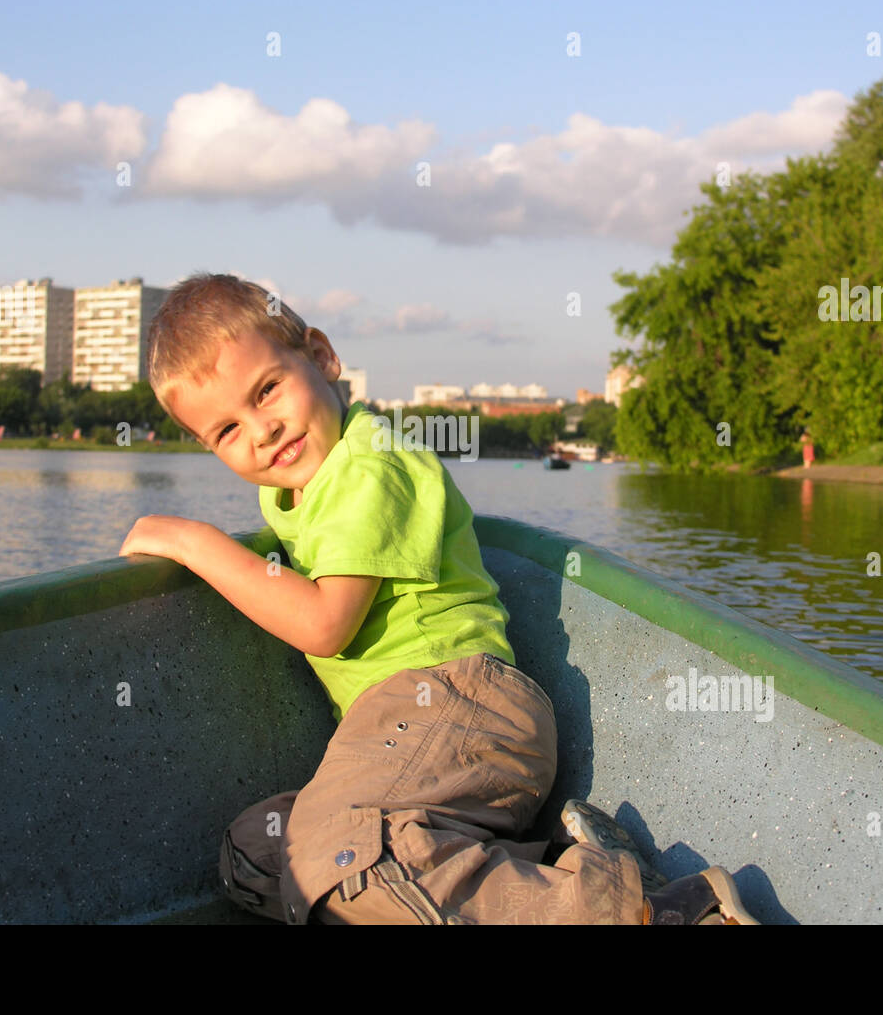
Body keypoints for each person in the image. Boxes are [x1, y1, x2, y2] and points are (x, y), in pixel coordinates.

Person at [119, 273, 757, 925]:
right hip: (414, 737)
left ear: (321, 357)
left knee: (336, 863)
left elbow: (323, 621)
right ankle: (551, 867)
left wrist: (196, 541)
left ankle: (658, 909)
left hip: (462, 704)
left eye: (267, 389)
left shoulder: (369, 466)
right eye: (227, 429)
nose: (261, 429)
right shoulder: (304, 485)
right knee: (254, 853)